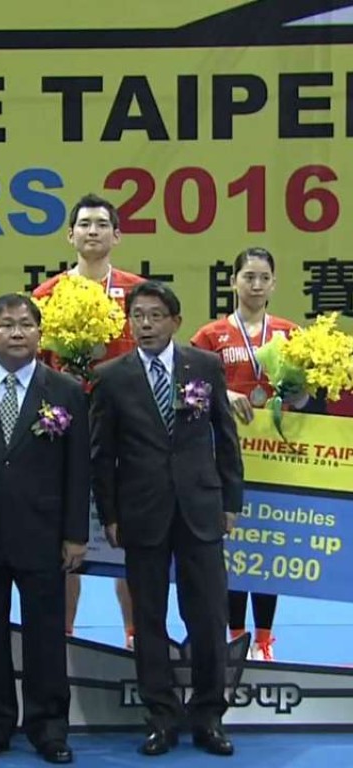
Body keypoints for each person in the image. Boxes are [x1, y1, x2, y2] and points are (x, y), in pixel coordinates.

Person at [0, 194, 141, 642]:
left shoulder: (137, 293)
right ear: (70, 235)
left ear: (117, 236)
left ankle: (135, 633)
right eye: (85, 224)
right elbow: (25, 361)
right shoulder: (45, 296)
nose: (93, 231)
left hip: (122, 430)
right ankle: (62, 634)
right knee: (65, 539)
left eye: (103, 224)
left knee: (128, 537)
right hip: (58, 432)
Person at [91, 281, 243, 757]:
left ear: (176, 322)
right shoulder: (112, 376)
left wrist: (230, 501)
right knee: (149, 619)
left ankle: (209, 716)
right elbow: (102, 454)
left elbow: (225, 435)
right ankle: (160, 717)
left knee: (208, 616)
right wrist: (110, 514)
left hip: (200, 509)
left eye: (156, 316)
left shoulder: (205, 366)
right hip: (141, 512)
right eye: (138, 316)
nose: (146, 324)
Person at [0, 293, 90, 765]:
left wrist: (75, 534)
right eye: (6, 325)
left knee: (45, 633)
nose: (16, 333)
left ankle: (49, 726)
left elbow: (77, 470)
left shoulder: (64, 390)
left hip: (44, 533)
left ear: (40, 333)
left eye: (26, 324)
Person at [191, 247, 303, 662]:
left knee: (269, 544)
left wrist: (301, 393)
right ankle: (235, 633)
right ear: (233, 281)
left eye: (263, 277)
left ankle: (265, 639)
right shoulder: (210, 336)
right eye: (248, 276)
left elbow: (310, 396)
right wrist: (227, 392)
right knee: (233, 544)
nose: (255, 285)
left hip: (276, 456)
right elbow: (191, 389)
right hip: (222, 454)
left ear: (274, 283)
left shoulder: (291, 334)